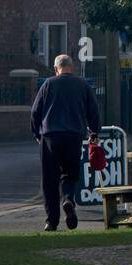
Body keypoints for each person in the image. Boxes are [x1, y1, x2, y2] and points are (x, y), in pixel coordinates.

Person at [30, 54, 101, 231]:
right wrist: (94, 132)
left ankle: (51, 221)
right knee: (70, 175)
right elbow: (93, 111)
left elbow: (35, 112)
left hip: (50, 136)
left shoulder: (48, 84)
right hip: (74, 135)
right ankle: (68, 198)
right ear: (72, 67)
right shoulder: (82, 84)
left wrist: (37, 134)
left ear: (56, 69)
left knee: (49, 180)